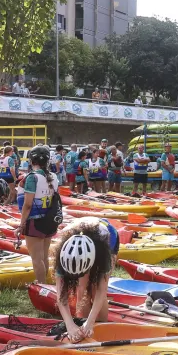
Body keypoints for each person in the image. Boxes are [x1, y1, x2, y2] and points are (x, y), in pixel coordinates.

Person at [50, 218, 117, 342]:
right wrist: (70, 325)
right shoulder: (62, 255)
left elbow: (102, 291)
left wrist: (91, 322)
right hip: (78, 233)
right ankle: (81, 325)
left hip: (107, 236)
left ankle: (99, 325)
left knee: (95, 288)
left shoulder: (103, 253)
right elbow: (61, 296)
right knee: (81, 288)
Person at [16, 146, 61, 283]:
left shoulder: (31, 177)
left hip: (34, 222)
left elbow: (28, 204)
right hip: (49, 221)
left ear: (31, 160)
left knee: (36, 258)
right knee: (44, 256)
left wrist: (21, 224)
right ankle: (44, 282)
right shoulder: (53, 176)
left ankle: (41, 285)